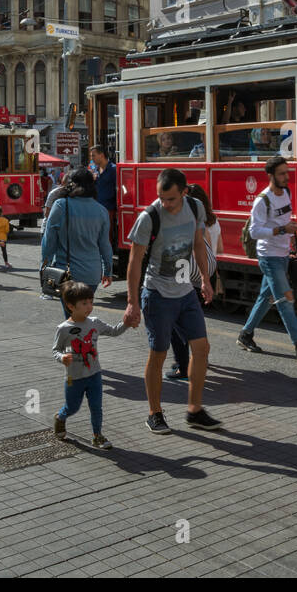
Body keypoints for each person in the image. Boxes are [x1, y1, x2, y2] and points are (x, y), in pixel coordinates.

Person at [124, 168, 222, 434]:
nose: (165, 204)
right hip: (157, 294)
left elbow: (199, 243)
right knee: (159, 354)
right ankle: (155, 413)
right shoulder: (149, 217)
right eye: (161, 198)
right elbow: (134, 263)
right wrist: (132, 302)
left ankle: (195, 410)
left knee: (202, 348)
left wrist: (205, 278)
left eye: (171, 199)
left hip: (186, 292)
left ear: (184, 192)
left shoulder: (196, 207)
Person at [236, 155, 297, 363]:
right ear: (270, 175)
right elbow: (254, 232)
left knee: (265, 298)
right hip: (268, 256)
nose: (286, 176)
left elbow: (284, 221)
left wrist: (289, 237)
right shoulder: (262, 200)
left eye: (287, 172)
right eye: (282, 173)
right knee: (284, 300)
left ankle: (245, 335)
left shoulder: (287, 193)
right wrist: (282, 229)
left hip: (282, 255)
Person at [51, 281, 129, 450]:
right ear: (71, 306)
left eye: (91, 302)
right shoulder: (63, 329)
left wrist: (127, 323)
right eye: (84, 303)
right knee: (72, 407)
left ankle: (97, 436)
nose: (89, 307)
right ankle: (61, 417)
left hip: (94, 374)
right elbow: (55, 350)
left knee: (96, 407)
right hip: (74, 378)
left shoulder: (94, 322)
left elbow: (114, 331)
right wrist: (62, 357)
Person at [40, 169, 113, 319]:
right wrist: (108, 271)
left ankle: (79, 342)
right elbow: (105, 245)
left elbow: (49, 240)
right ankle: (84, 341)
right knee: (81, 317)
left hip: (67, 274)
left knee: (72, 318)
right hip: (92, 275)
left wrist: (44, 263)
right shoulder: (102, 211)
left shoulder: (61, 205)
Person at [167, 184, 222, 382]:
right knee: (194, 319)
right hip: (205, 275)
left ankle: (187, 362)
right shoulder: (211, 222)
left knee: (178, 323)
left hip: (187, 277)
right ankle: (195, 357)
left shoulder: (186, 224)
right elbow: (216, 250)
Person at [91, 144, 117, 248]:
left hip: (108, 209)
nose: (91, 158)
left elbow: (117, 189)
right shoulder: (96, 170)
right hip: (97, 208)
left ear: (101, 155)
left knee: (106, 237)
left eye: (93, 155)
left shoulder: (113, 169)